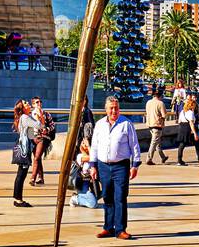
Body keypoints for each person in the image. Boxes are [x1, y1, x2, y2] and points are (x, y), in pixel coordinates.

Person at [88, 95, 141, 239]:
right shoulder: (99, 124)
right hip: (103, 166)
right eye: (111, 108)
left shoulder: (126, 124)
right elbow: (94, 146)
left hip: (121, 166)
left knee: (120, 197)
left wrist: (135, 165)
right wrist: (92, 166)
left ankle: (120, 229)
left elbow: (134, 145)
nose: (113, 111)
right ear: (106, 109)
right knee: (107, 197)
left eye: (116, 108)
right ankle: (108, 227)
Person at [12, 99, 37, 207]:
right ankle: (18, 199)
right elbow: (39, 125)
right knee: (22, 174)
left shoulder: (25, 117)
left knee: (21, 174)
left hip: (24, 147)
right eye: (26, 103)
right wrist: (39, 114)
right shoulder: (25, 117)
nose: (28, 104)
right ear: (22, 108)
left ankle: (17, 198)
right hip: (24, 149)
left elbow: (31, 135)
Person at [69, 137, 101, 209]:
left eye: (86, 144)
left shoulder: (95, 155)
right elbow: (92, 158)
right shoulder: (80, 156)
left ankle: (88, 197)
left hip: (93, 184)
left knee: (108, 191)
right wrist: (88, 147)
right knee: (93, 204)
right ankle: (75, 199)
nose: (85, 145)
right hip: (83, 184)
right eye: (83, 144)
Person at [30, 97, 55, 185]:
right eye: (37, 102)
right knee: (38, 158)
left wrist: (47, 129)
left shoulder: (46, 114)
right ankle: (41, 178)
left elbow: (52, 125)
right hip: (33, 138)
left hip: (43, 138)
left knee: (36, 157)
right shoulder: (30, 115)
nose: (39, 104)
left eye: (40, 102)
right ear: (33, 105)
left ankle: (32, 178)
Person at [145, 87, 168, 164]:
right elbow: (164, 115)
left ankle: (163, 157)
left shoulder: (148, 102)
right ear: (160, 96)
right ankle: (149, 158)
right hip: (157, 125)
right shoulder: (160, 103)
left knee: (157, 142)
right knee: (154, 142)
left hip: (150, 124)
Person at [176, 94, 199, 165]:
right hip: (187, 128)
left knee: (181, 144)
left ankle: (179, 160)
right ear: (192, 105)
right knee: (196, 143)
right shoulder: (191, 113)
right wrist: (195, 133)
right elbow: (191, 124)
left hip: (181, 127)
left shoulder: (182, 112)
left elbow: (179, 121)